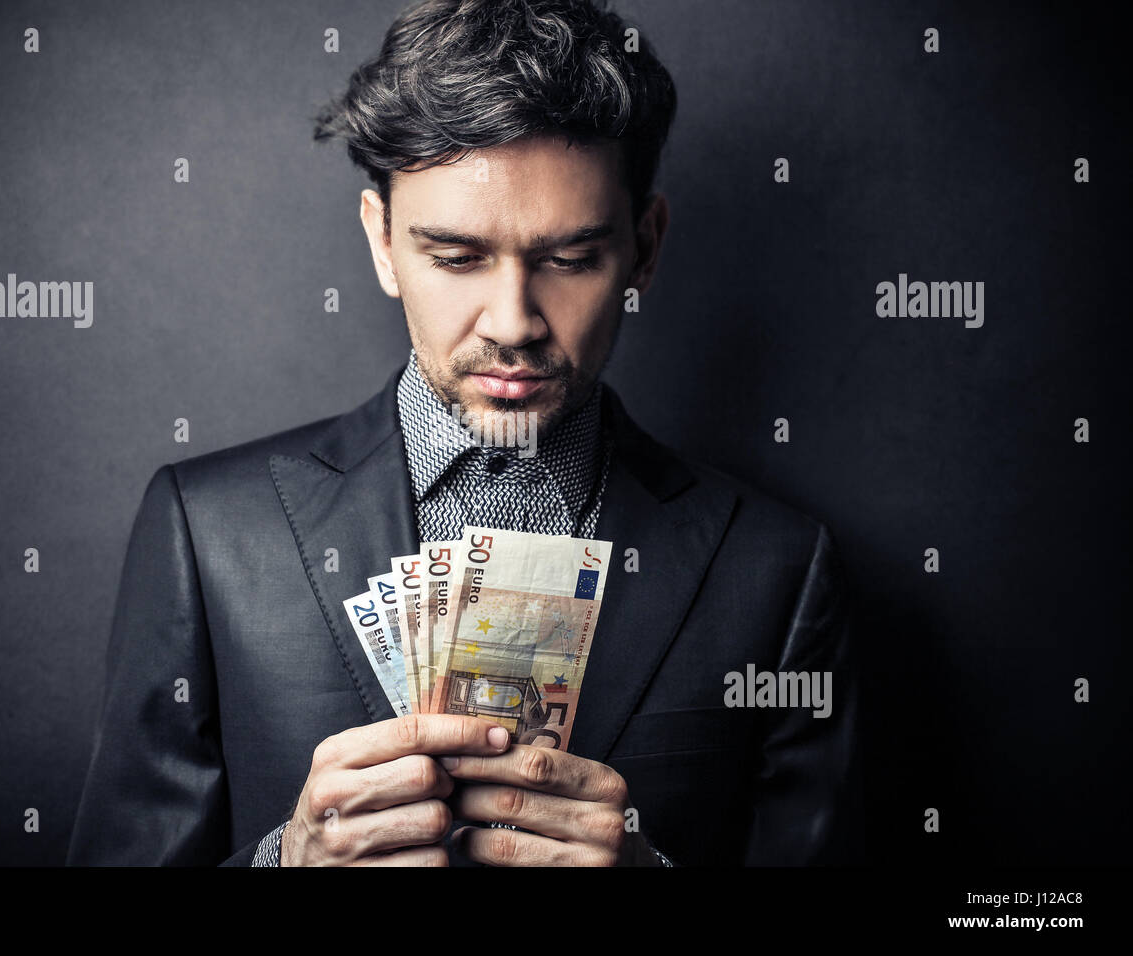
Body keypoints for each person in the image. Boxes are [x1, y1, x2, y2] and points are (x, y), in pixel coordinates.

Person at [66, 0, 861, 867]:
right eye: (455, 258)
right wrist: (282, 863)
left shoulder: (777, 571)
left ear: (645, 244)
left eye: (568, 259)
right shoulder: (207, 531)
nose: (513, 322)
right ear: (382, 242)